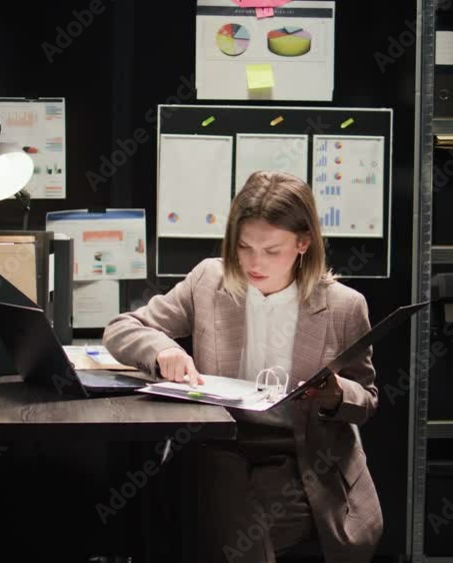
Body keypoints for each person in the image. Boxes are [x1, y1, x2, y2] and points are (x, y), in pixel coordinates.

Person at [102, 171, 382, 563]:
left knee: (236, 531)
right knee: (218, 517)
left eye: (272, 250)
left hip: (301, 456)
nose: (253, 262)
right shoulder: (208, 281)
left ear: (304, 243)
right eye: (244, 246)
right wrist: (163, 351)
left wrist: (337, 394)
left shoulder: (343, 306)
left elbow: (366, 400)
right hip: (221, 444)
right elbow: (121, 328)